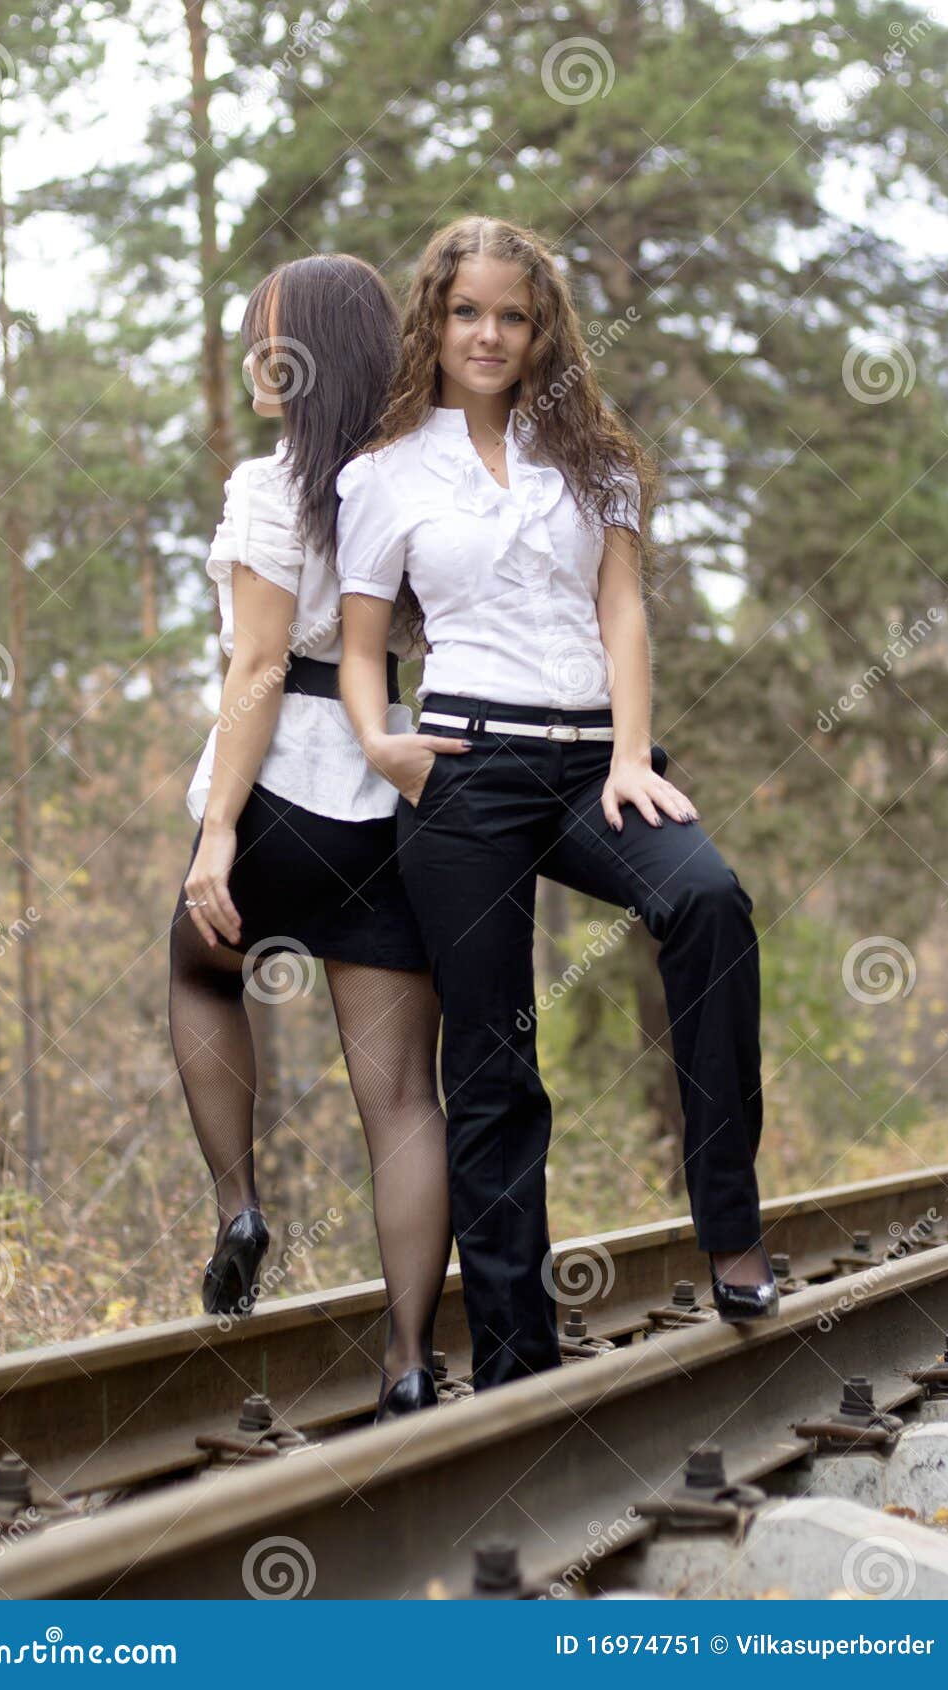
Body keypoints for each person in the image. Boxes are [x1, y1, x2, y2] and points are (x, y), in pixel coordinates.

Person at [334, 215, 778, 1396]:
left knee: (711, 902)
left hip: (596, 766)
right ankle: (517, 1360)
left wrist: (633, 754)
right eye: (466, 312)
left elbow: (623, 611)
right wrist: (387, 748)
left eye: (513, 316)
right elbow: (366, 640)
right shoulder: (383, 476)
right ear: (434, 322)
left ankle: (729, 1222)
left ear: (544, 332)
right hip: (464, 773)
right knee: (492, 1060)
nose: (488, 334)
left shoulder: (596, 456)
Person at [168, 254, 464, 1420]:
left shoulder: (267, 485)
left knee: (201, 973)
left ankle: (240, 1204)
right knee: (400, 1100)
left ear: (310, 356)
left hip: (281, 782)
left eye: (270, 340)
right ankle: (406, 1359)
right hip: (388, 792)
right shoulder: (411, 481)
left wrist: (220, 833)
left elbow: (255, 663)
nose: (256, 360)